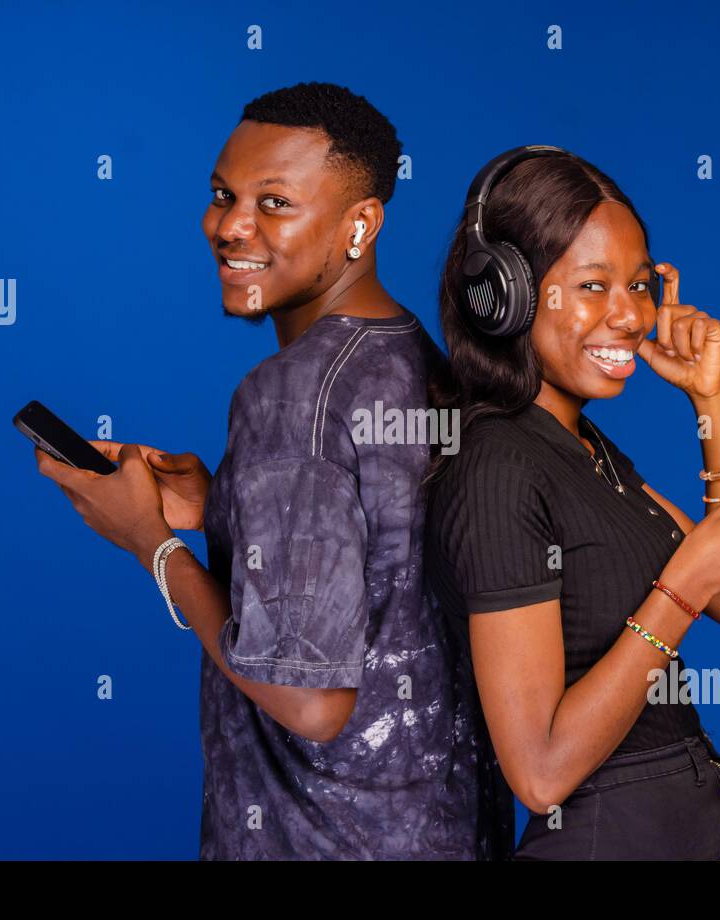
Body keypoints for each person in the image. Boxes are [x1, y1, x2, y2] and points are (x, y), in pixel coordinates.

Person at [35, 82, 512, 859]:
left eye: (275, 203)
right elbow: (389, 569)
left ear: (361, 224)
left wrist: (152, 542)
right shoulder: (416, 357)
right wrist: (222, 505)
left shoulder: (290, 393)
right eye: (224, 195)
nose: (230, 227)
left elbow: (312, 698)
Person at [423, 145, 720, 860]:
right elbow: (540, 772)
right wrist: (686, 580)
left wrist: (712, 399)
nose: (632, 317)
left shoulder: (584, 447)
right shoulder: (496, 468)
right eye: (593, 286)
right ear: (503, 293)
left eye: (640, 286)